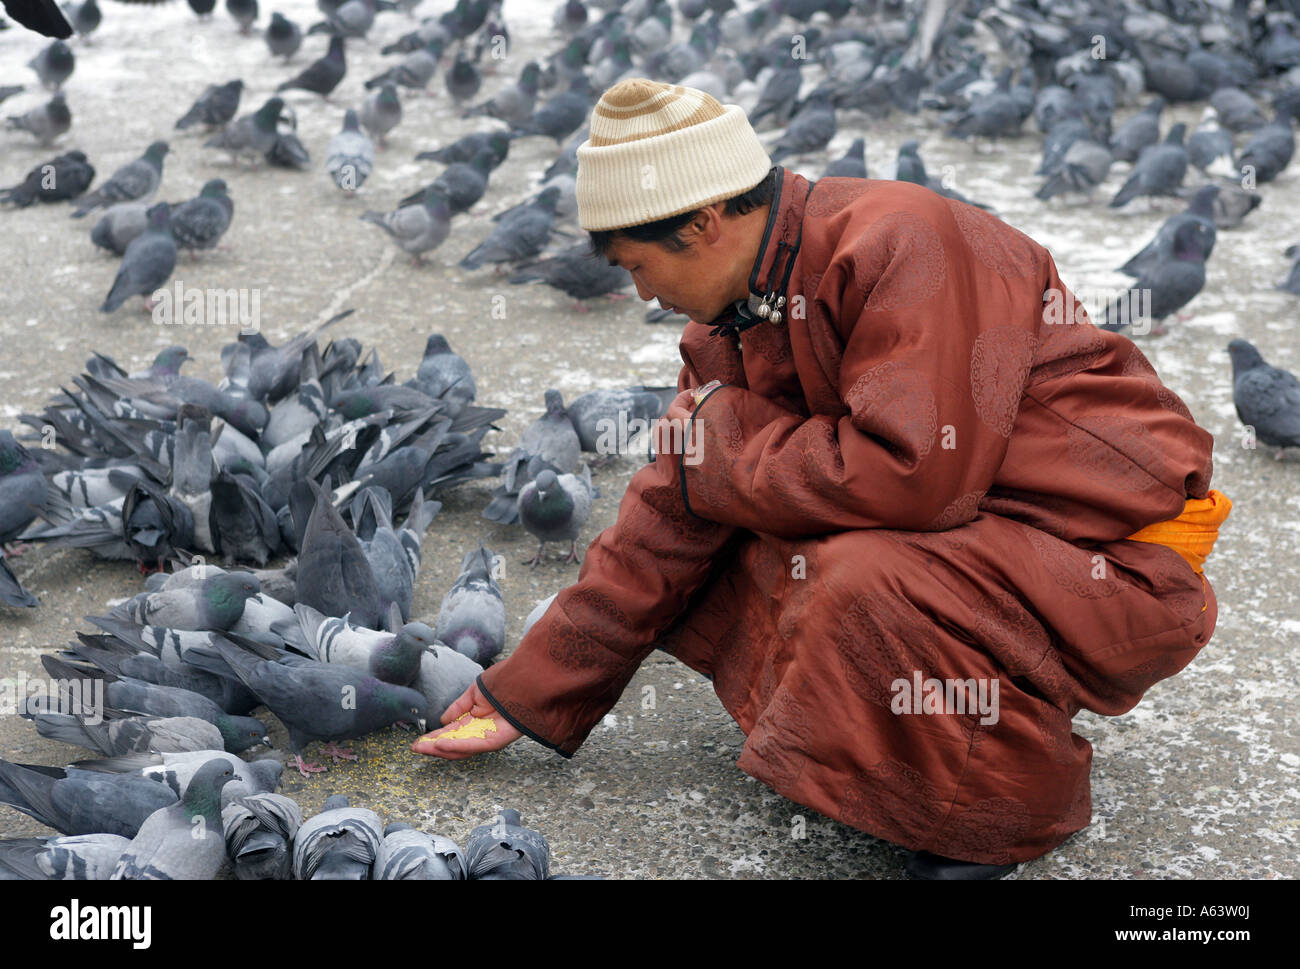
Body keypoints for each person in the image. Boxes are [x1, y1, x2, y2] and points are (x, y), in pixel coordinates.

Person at [413, 78, 1232, 879]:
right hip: (997, 546)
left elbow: (915, 476)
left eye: (638, 265)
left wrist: (724, 440)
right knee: (733, 538)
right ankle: (888, 750)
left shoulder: (900, 244)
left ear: (703, 223)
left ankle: (996, 807)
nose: (645, 295)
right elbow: (666, 517)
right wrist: (525, 692)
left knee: (855, 572)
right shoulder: (733, 318)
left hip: (1116, 561)